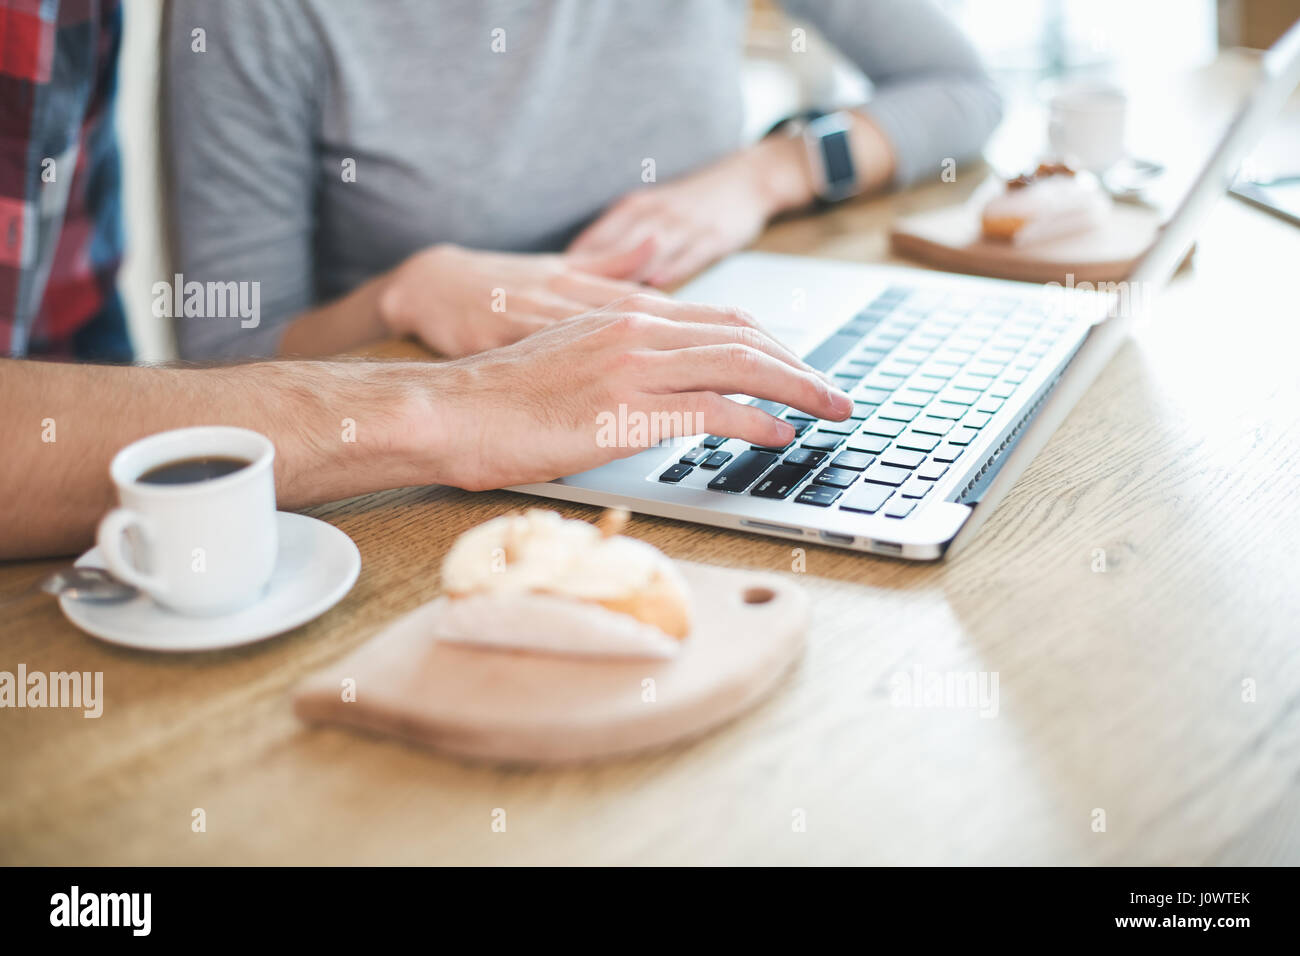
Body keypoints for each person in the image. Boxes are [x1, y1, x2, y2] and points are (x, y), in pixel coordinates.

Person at [163, 0, 1002, 359]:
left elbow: (962, 90)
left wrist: (767, 172)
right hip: (414, 467)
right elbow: (222, 358)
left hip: (699, 372)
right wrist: (402, 297)